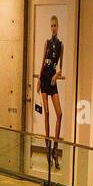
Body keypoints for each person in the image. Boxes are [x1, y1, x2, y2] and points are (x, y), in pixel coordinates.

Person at [37, 14, 64, 170]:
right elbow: (42, 62)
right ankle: (47, 148)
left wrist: (56, 75)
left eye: (55, 25)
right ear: (50, 27)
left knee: (59, 114)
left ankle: (55, 149)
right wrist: (39, 80)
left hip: (52, 79)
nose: (53, 28)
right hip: (44, 78)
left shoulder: (60, 45)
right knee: (46, 113)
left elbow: (61, 68)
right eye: (52, 26)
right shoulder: (47, 43)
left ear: (58, 27)